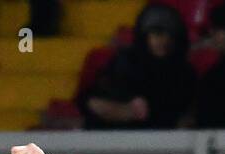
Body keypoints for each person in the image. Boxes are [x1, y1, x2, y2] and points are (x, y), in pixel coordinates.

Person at [79, 2, 196, 130]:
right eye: (157, 33)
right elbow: (90, 100)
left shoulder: (184, 72)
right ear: (144, 35)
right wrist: (122, 109)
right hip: (111, 136)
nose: (164, 41)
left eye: (170, 36)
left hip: (158, 140)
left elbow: (174, 114)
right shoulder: (126, 62)